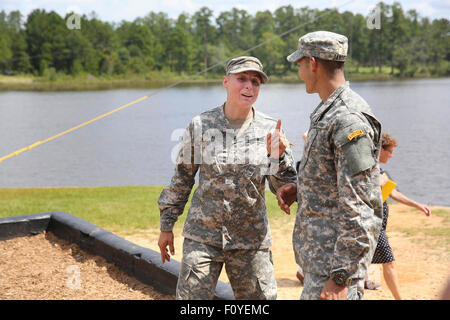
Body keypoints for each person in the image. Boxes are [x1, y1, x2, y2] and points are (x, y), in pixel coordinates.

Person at [157, 56, 297, 300]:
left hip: (251, 240)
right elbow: (182, 178)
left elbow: (282, 189)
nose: (249, 87)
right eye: (241, 79)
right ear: (225, 82)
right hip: (203, 237)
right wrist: (166, 225)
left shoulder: (271, 128)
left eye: (255, 82)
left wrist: (278, 156)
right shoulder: (201, 125)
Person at [277, 31, 383, 300]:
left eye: (299, 64)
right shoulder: (329, 111)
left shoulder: (348, 119)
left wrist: (340, 277)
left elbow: (362, 207)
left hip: (333, 273)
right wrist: (301, 188)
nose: (299, 71)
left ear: (312, 63)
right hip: (321, 265)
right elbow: (336, 180)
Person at [365, 132, 431, 299]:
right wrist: (378, 181)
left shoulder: (380, 170)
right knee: (389, 261)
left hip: (378, 225)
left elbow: (393, 193)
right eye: (390, 151)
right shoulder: (369, 167)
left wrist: (417, 205)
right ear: (381, 149)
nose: (392, 155)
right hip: (372, 225)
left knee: (364, 263)